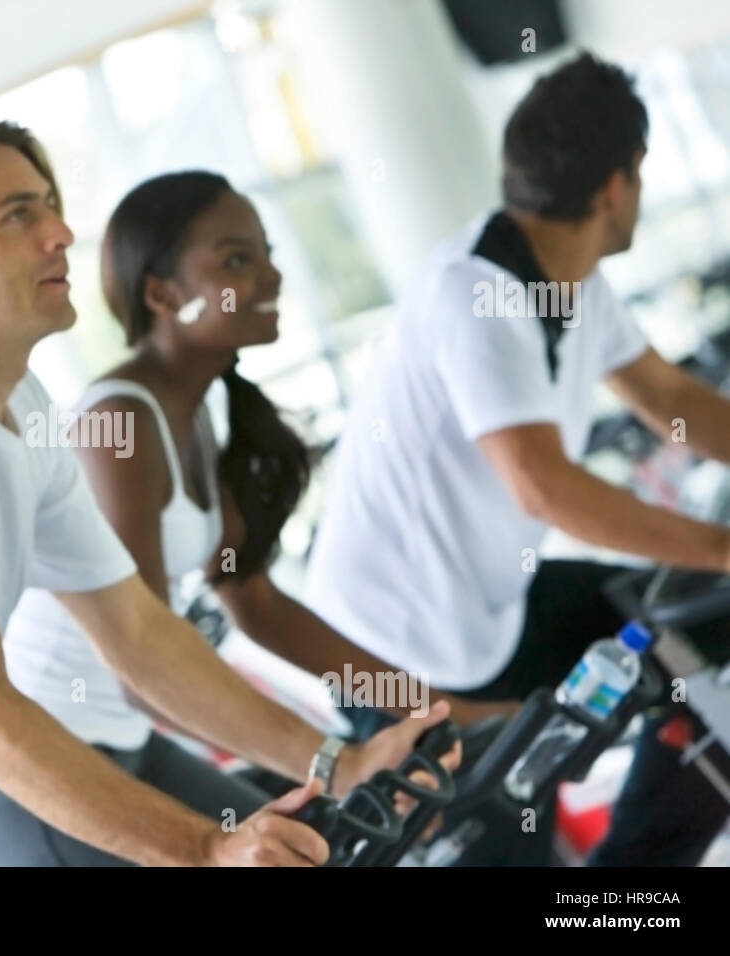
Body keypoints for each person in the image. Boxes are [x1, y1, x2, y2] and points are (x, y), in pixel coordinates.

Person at [0, 111, 459, 868]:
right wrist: (207, 848)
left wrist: (336, 765)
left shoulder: (22, 405)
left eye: (50, 204)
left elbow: (138, 633)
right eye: (19, 215)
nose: (60, 233)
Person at [0, 170, 494, 865]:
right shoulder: (120, 423)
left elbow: (257, 605)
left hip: (126, 745)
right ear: (163, 293)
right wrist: (334, 761)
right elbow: (139, 666)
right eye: (237, 260)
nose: (273, 276)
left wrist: (430, 709)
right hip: (40, 780)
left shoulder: (195, 411)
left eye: (266, 253)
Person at [303, 51, 730, 865]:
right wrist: (722, 546)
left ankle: (628, 887)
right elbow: (543, 488)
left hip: (494, 615)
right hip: (390, 658)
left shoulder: (577, 285)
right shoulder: (477, 293)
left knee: (702, 628)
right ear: (616, 185)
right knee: (501, 849)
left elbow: (672, 404)